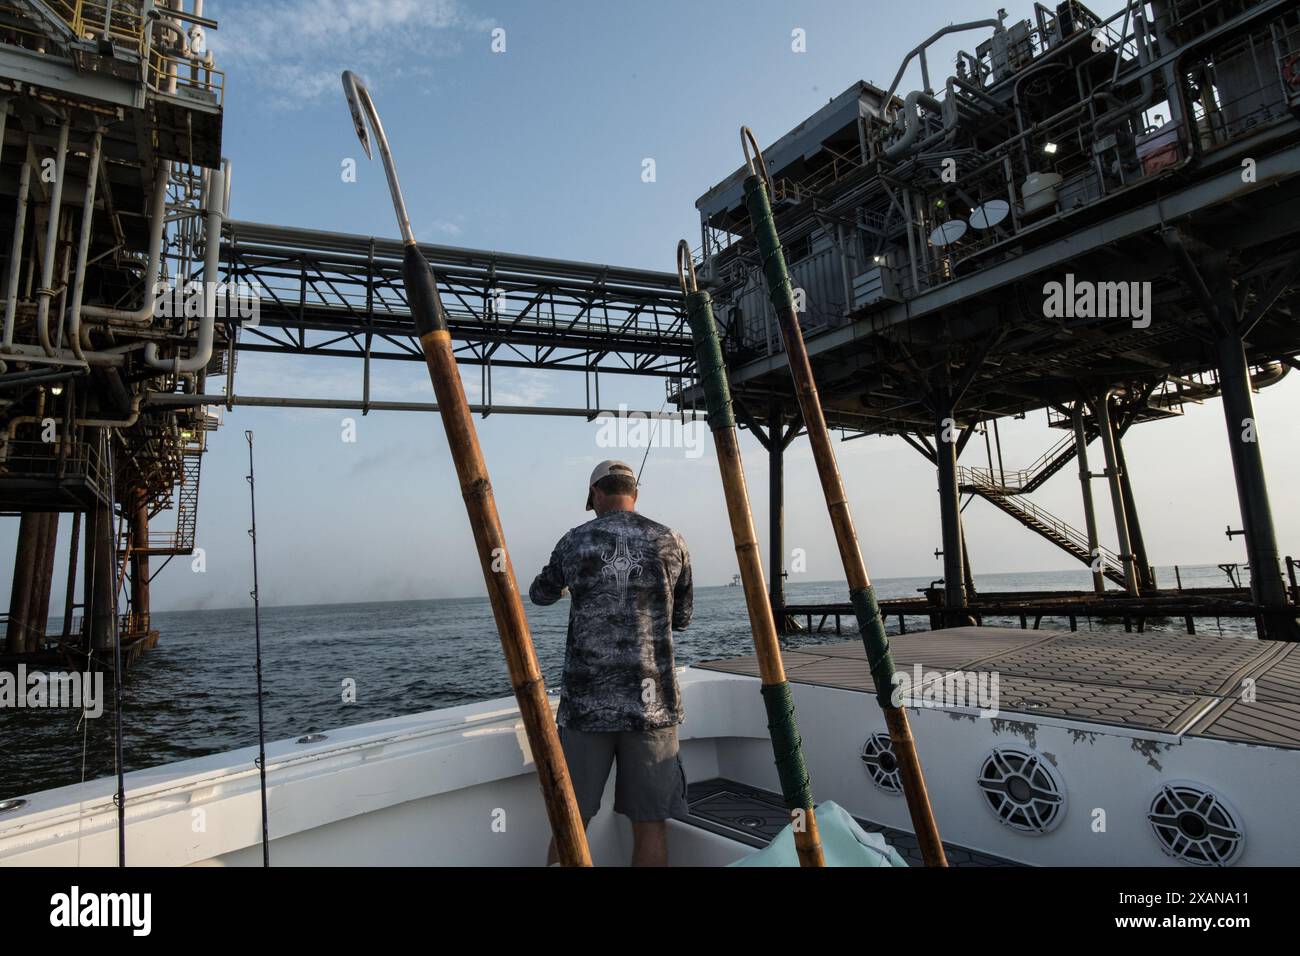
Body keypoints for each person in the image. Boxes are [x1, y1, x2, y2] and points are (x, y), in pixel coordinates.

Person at [530, 459, 693, 866]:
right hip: (653, 709)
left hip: (587, 709)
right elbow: (682, 619)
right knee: (651, 823)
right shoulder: (671, 541)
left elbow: (540, 594)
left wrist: (575, 584)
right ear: (633, 493)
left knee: (571, 821)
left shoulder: (575, 542)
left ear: (597, 495)